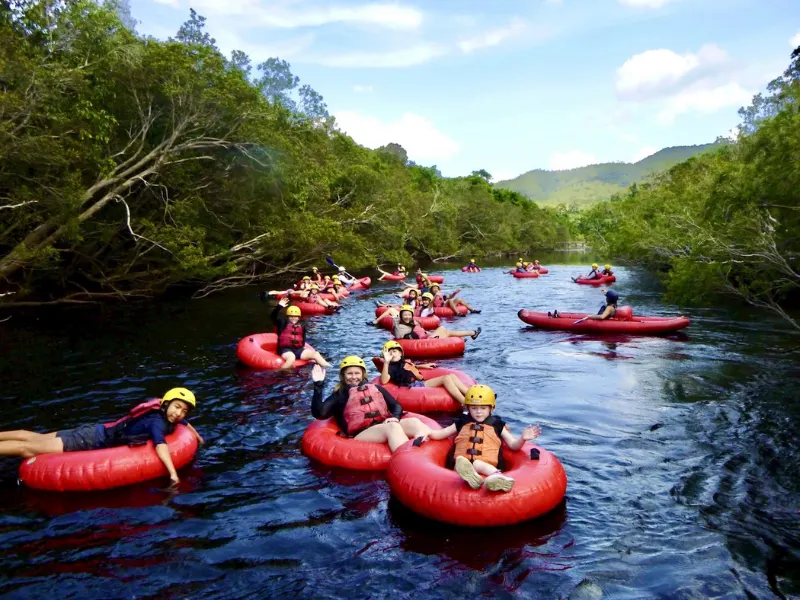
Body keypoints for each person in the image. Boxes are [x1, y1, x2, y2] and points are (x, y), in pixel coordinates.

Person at [0, 388, 205, 485]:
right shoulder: (157, 422)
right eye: (177, 407)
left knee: (34, 438)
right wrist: (173, 474)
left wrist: (197, 436)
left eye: (184, 411)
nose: (179, 413)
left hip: (93, 430)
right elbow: (160, 445)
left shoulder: (161, 413)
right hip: (89, 440)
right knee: (26, 449)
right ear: (167, 404)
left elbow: (182, 422)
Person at [418, 384, 541, 492]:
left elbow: (513, 445)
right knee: (460, 463)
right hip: (462, 464)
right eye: (474, 408)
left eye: (483, 408)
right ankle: (472, 477)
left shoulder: (497, 425)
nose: (479, 412)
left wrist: (523, 438)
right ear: (468, 408)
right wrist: (427, 432)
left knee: (477, 463)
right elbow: (440, 434)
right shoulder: (461, 422)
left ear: (490, 408)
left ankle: (497, 477)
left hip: (486, 463)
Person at [310, 357, 430, 451]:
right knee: (392, 427)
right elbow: (320, 413)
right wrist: (318, 386)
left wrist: (395, 417)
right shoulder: (339, 395)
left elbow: (396, 406)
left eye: (357, 373)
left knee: (412, 421)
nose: (354, 377)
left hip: (382, 425)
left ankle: (428, 438)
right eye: (349, 374)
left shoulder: (375, 388)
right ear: (343, 376)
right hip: (361, 434)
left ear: (363, 375)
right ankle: (408, 454)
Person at [378, 340, 470, 404]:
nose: (393, 354)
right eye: (390, 353)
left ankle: (471, 395)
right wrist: (386, 362)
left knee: (452, 375)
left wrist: (423, 366)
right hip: (413, 387)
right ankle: (465, 403)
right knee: (445, 379)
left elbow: (410, 368)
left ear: (401, 353)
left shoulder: (403, 362)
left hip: (419, 382)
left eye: (394, 351)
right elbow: (384, 381)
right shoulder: (391, 367)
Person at [273, 298, 332, 369]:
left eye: (295, 317)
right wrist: (279, 306)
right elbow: (273, 316)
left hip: (298, 350)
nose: (293, 318)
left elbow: (303, 338)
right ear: (287, 317)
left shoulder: (301, 325)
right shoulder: (282, 323)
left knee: (316, 354)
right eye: (291, 316)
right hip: (285, 349)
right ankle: (279, 372)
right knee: (291, 358)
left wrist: (303, 347)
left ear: (298, 317)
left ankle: (330, 369)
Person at [377, 305, 481, 341]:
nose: (407, 316)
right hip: (424, 341)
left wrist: (426, 332)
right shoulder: (400, 326)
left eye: (409, 315)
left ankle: (472, 333)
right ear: (401, 315)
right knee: (443, 329)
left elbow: (420, 332)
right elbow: (398, 332)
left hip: (425, 337)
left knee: (442, 330)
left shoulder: (412, 323)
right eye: (405, 315)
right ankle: (472, 333)